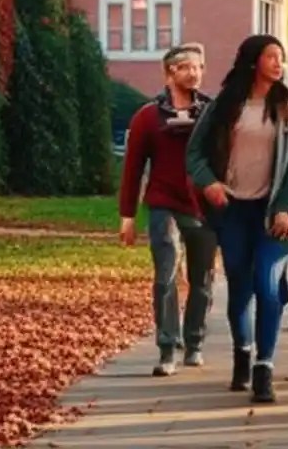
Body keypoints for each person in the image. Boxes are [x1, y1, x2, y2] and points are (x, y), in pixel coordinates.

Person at [185, 35, 288, 403]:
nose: (279, 64)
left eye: (281, 58)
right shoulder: (224, 105)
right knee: (240, 283)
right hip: (232, 209)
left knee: (268, 284)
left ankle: (264, 367)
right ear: (254, 61)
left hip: (273, 212)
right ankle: (243, 351)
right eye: (273, 57)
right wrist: (209, 184)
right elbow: (195, 153)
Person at [118, 44, 215, 376]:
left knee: (202, 278)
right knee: (166, 273)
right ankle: (167, 346)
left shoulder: (212, 113)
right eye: (187, 67)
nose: (195, 73)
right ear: (170, 72)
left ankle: (195, 341)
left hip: (203, 206)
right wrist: (127, 216)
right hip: (163, 203)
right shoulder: (148, 117)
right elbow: (132, 168)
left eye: (199, 67)